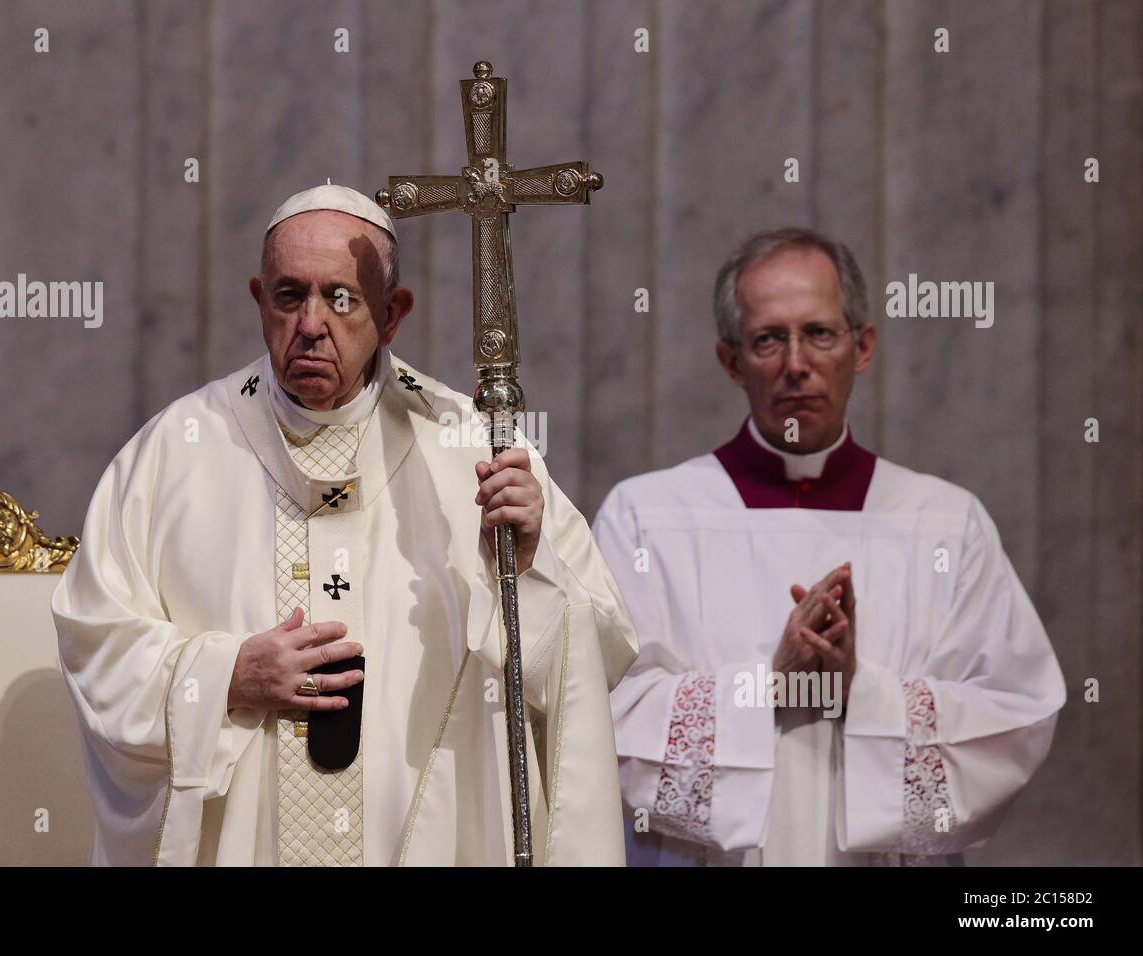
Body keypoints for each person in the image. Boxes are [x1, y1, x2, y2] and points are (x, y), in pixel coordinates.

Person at [53, 183, 638, 866]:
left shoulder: (471, 449)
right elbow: (94, 642)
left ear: (392, 316)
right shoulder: (174, 451)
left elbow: (604, 651)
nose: (310, 323)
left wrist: (531, 566)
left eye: (341, 298)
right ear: (257, 298)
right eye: (288, 295)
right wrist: (224, 674)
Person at [595, 227, 1065, 865]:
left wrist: (859, 692)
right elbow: (599, 714)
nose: (796, 363)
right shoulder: (644, 516)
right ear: (730, 361)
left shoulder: (946, 522)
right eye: (768, 339)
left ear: (862, 346)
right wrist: (769, 685)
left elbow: (1016, 711)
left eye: (819, 333)